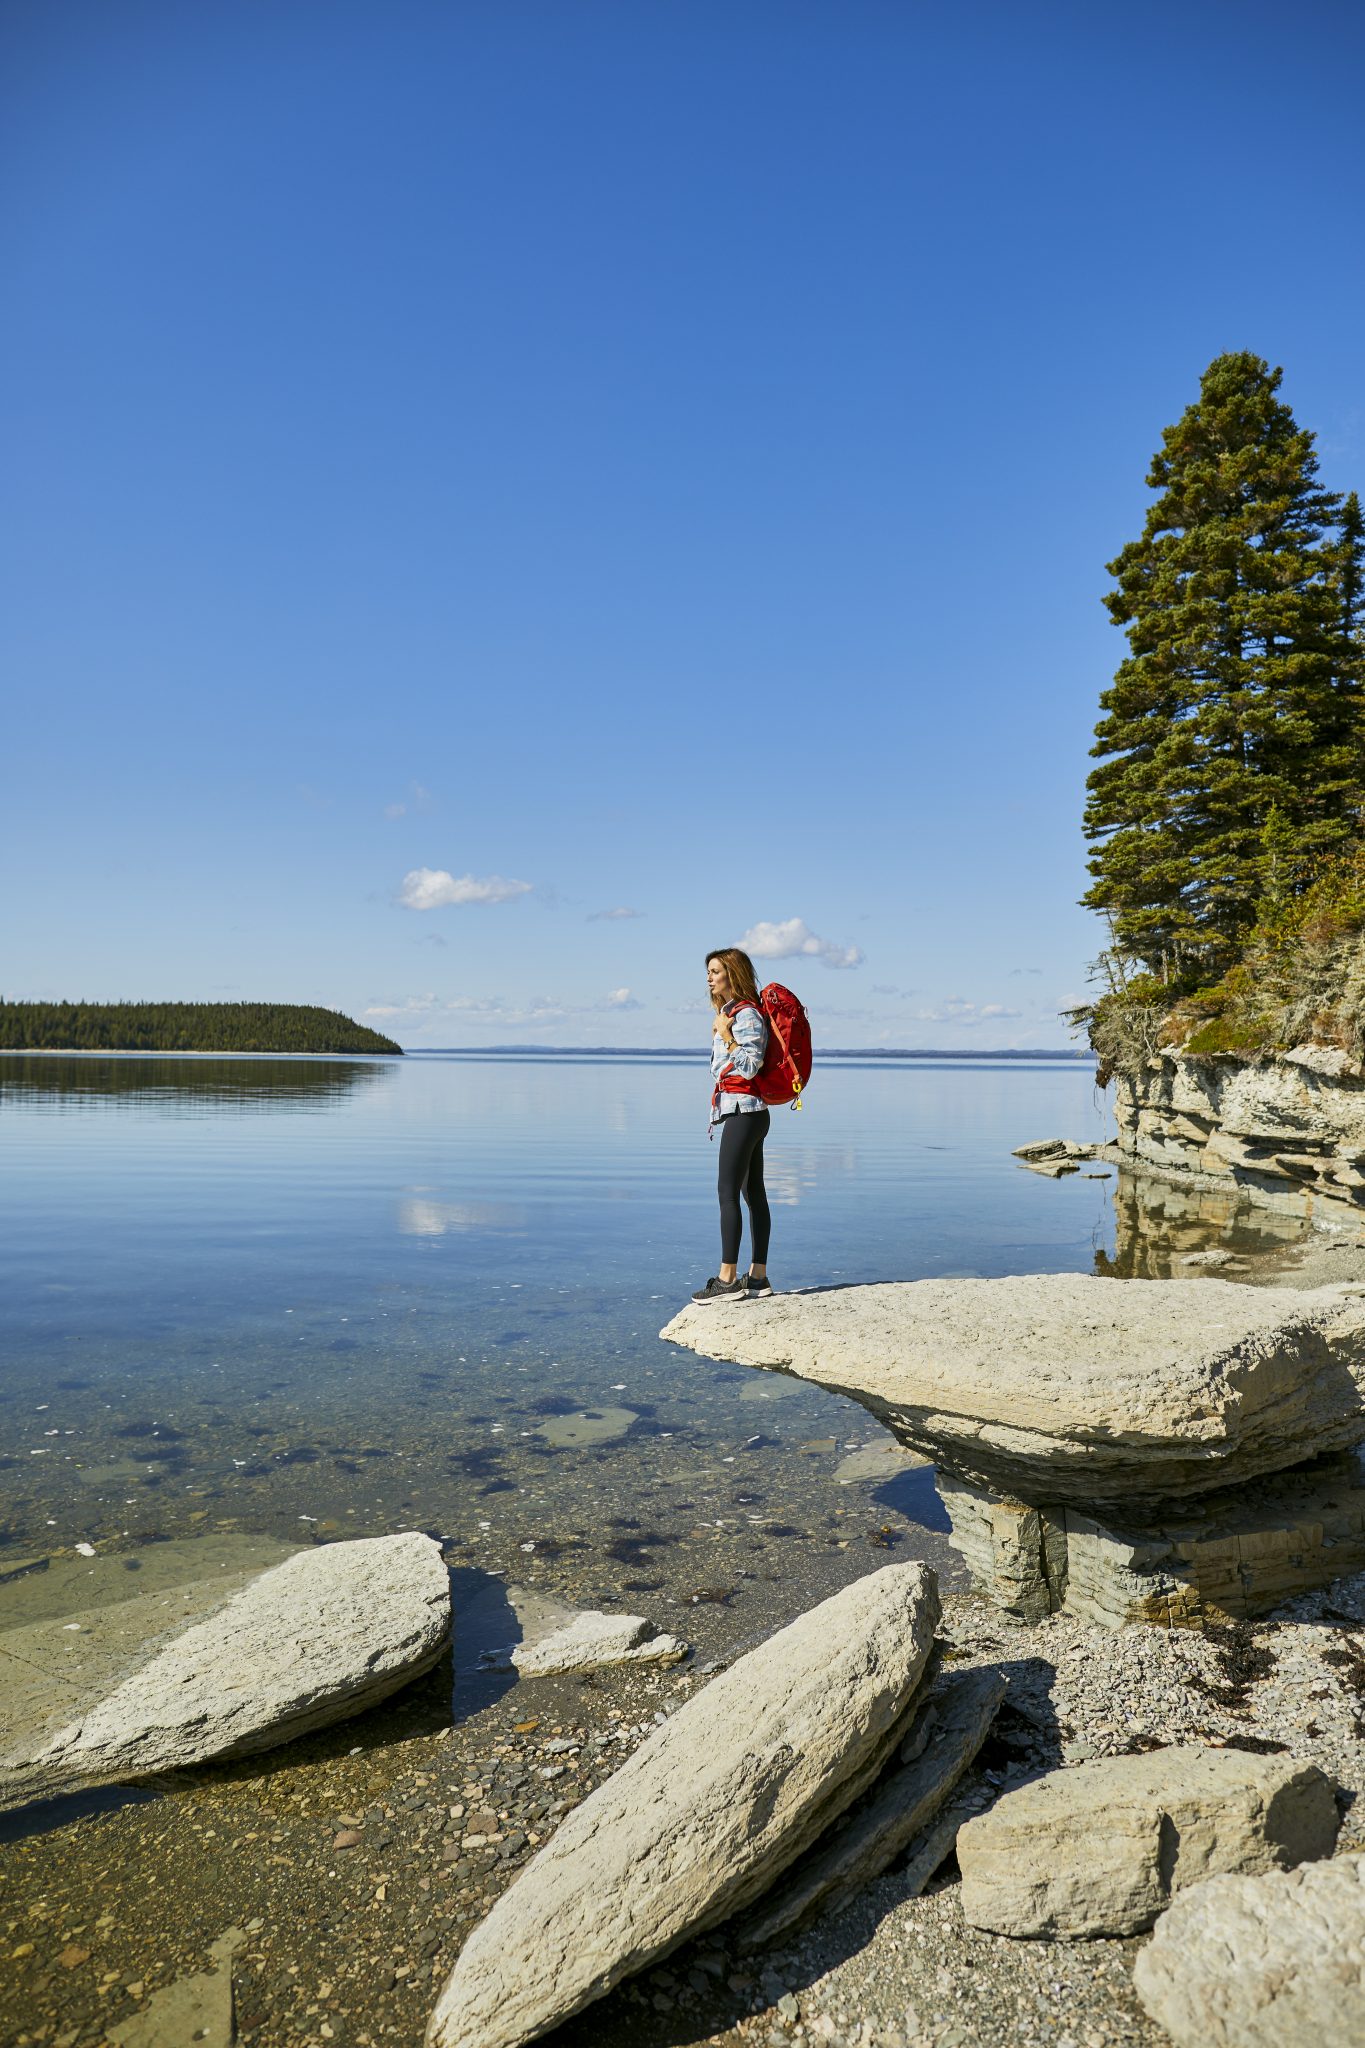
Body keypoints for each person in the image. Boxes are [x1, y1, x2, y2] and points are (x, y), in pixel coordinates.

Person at [692, 947, 774, 1304]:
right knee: (752, 1194)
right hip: (746, 1113)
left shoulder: (747, 1016)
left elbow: (749, 1066)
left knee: (727, 1194)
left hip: (746, 1114)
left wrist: (726, 1034)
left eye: (715, 971)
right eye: (707, 972)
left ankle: (727, 1280)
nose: (709, 978)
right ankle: (758, 1278)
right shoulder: (730, 1014)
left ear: (732, 974)